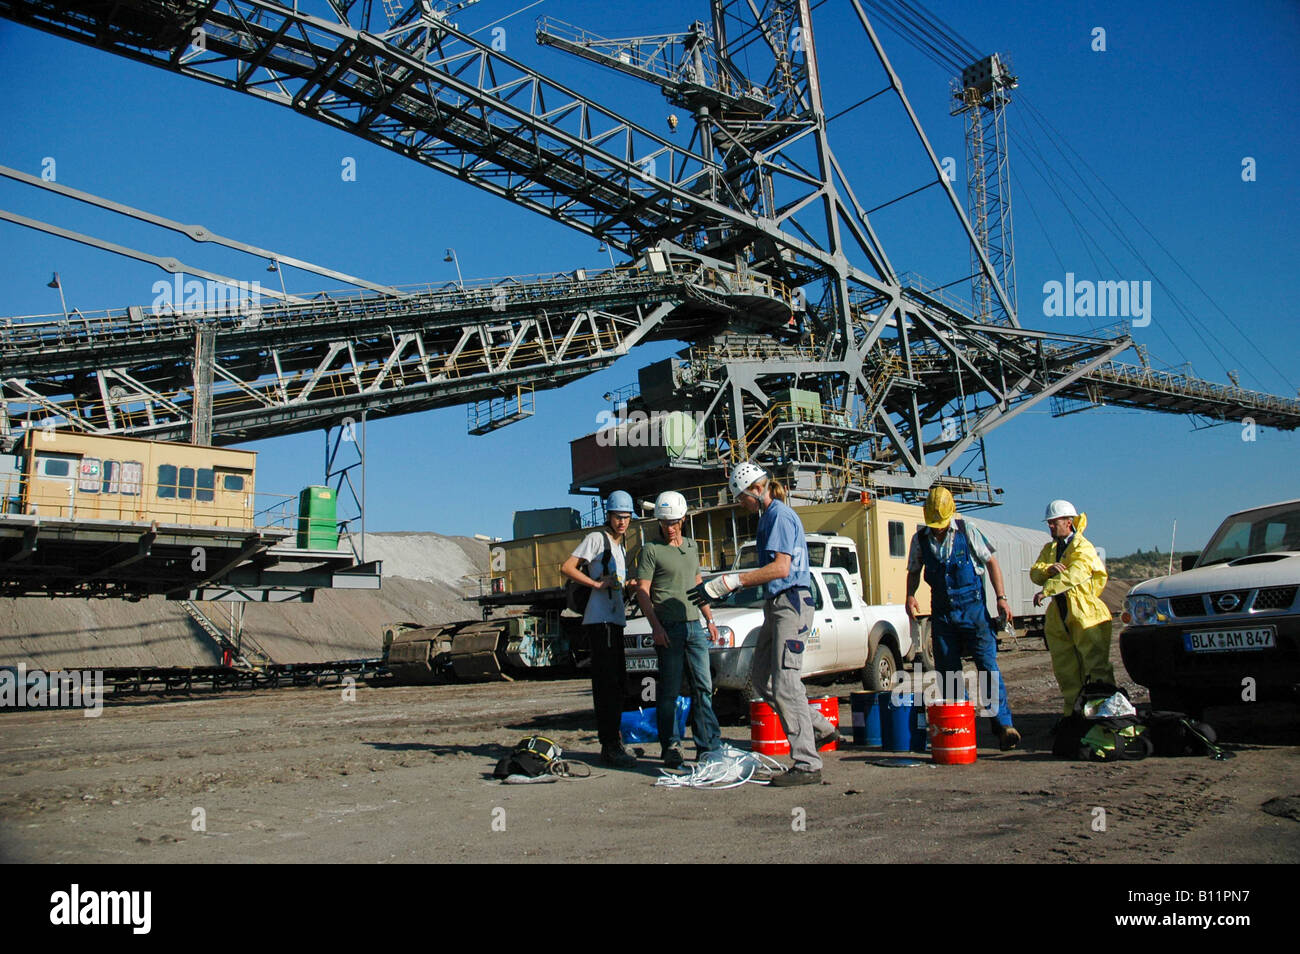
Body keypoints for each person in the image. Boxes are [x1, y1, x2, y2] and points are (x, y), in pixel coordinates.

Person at [690, 462, 837, 786]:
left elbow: (781, 568)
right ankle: (821, 729)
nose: (739, 503)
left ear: (757, 490)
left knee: (785, 683)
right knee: (762, 680)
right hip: (776, 605)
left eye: (740, 497)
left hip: (790, 603)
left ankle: (807, 763)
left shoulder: (779, 516)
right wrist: (726, 584)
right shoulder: (767, 517)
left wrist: (733, 581)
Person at [904, 486, 1021, 750]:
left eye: (940, 525)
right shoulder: (920, 539)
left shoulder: (967, 531)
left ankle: (1003, 725)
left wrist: (1001, 598)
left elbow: (991, 563)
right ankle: (964, 726)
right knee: (948, 673)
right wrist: (910, 595)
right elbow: (914, 570)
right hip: (943, 613)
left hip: (973, 611)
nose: (937, 530)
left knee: (987, 667)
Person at [633, 490, 723, 768]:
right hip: (668, 629)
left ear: (683, 519)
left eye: (673, 522)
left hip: (694, 626)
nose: (669, 528)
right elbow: (643, 591)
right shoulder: (651, 550)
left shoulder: (692, 547)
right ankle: (671, 746)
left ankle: (708, 746)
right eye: (664, 523)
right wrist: (656, 627)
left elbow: (697, 584)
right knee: (670, 691)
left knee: (703, 687)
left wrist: (709, 619)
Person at [561, 491, 637, 768]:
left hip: (614, 621)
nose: (622, 522)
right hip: (600, 622)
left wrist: (628, 586)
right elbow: (567, 567)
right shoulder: (596, 539)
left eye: (626, 517)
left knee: (618, 683)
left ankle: (615, 741)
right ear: (609, 515)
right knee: (606, 685)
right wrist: (595, 584)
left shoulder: (620, 547)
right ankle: (609, 746)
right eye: (618, 517)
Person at [1030, 500, 1115, 716]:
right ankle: (1074, 716)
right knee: (1066, 669)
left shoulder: (1082, 546)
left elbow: (1076, 573)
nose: (1050, 526)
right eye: (1049, 523)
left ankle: (1104, 716)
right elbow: (1035, 573)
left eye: (1054, 522)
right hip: (1060, 614)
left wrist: (1047, 589)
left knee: (1095, 667)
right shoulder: (1050, 549)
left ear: (1068, 522)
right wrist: (1048, 570)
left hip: (1086, 613)